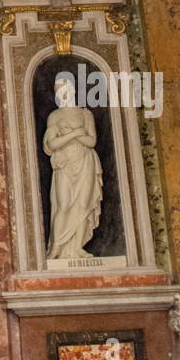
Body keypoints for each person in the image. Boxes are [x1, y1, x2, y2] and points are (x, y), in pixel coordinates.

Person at [44, 71, 103, 261]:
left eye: (63, 89)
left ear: (71, 89)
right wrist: (75, 134)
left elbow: (92, 141)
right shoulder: (54, 116)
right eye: (57, 90)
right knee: (63, 205)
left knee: (83, 205)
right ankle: (56, 248)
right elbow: (52, 144)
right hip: (64, 164)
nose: (60, 93)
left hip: (85, 162)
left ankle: (77, 248)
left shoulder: (86, 114)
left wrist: (74, 134)